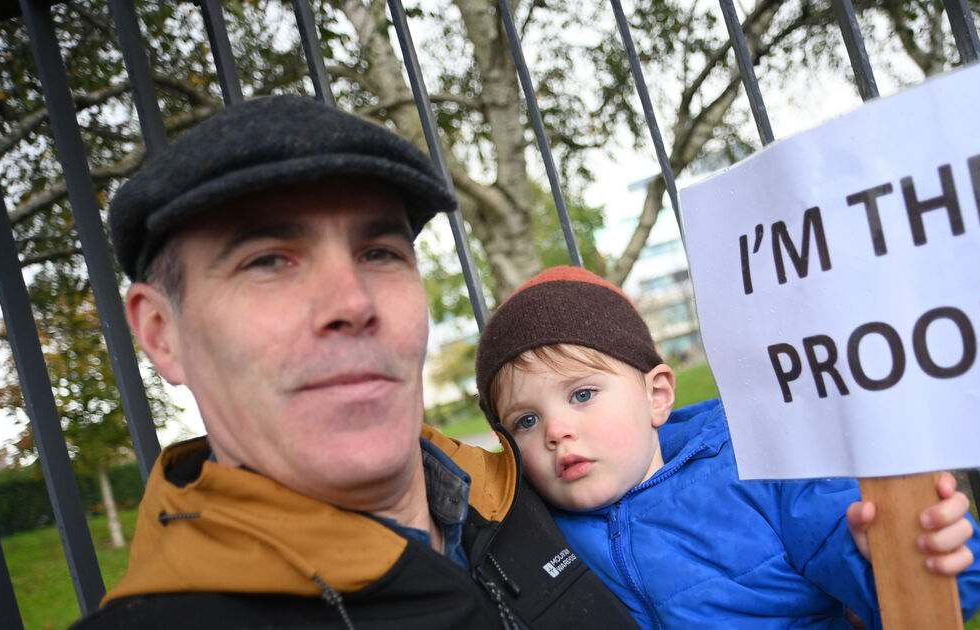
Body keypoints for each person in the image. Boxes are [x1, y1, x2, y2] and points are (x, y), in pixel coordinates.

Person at [71, 95, 640, 629]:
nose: (353, 303)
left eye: (379, 253)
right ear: (162, 334)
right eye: (268, 261)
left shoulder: (532, 485)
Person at [474, 266, 980, 630]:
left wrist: (912, 547)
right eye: (526, 420)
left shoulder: (761, 466)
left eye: (582, 394)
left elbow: (928, 601)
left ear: (656, 396)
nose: (556, 431)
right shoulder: (535, 532)